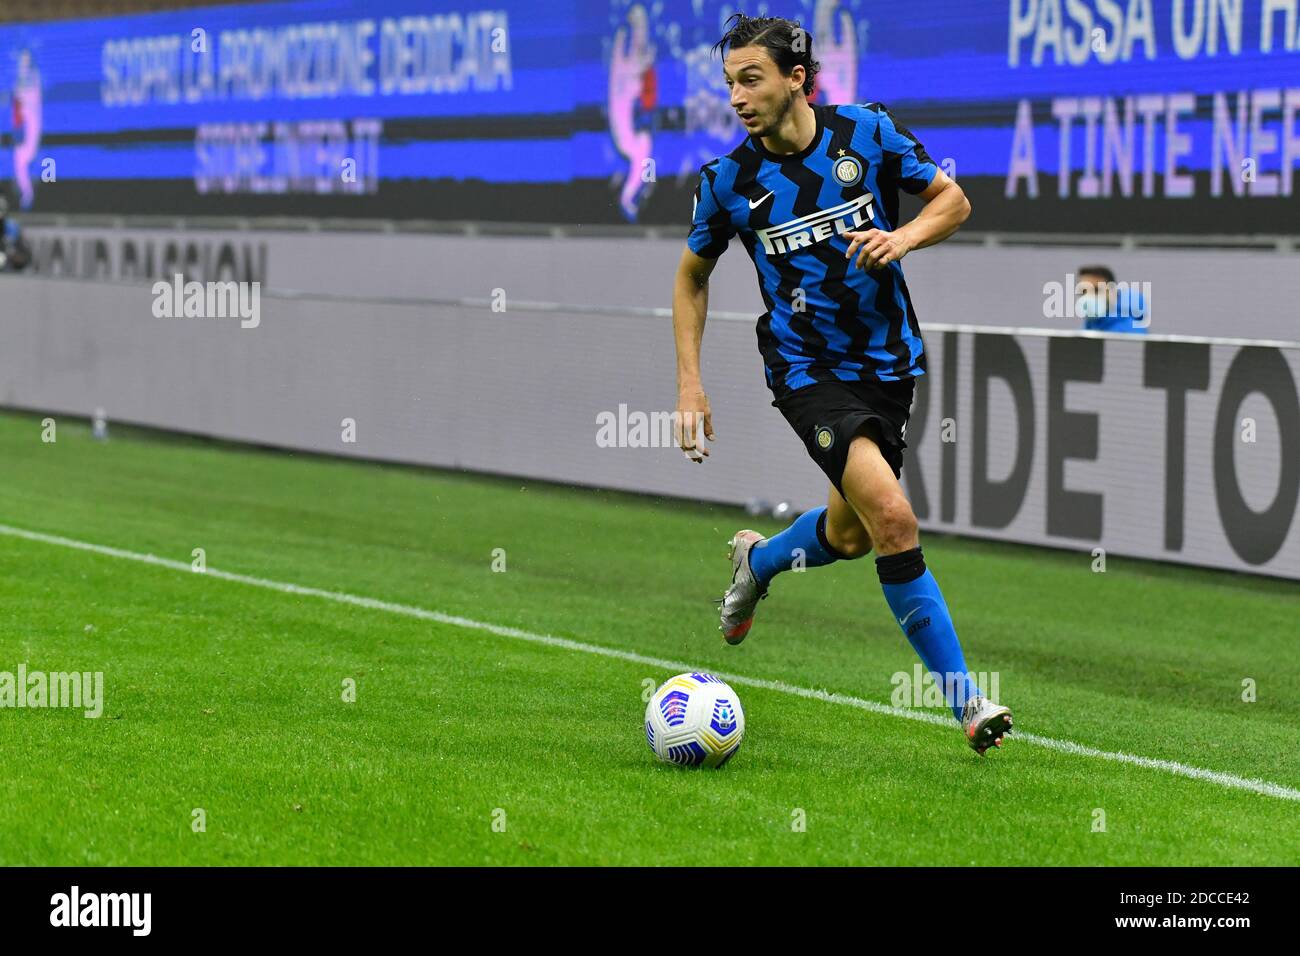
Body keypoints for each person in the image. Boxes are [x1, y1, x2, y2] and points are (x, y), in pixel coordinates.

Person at [670, 13, 1012, 754]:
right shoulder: (728, 182)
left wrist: (903, 236)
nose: (737, 96)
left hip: (889, 367)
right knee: (894, 518)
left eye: (751, 78)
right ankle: (968, 704)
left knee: (853, 536)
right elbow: (692, 277)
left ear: (798, 78)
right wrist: (691, 383)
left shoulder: (868, 132)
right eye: (730, 82)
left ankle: (758, 561)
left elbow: (952, 200)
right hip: (807, 371)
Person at [1076, 265, 1148, 333]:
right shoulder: (1090, 325)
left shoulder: (1131, 332)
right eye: (1083, 291)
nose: (1088, 296)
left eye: (1096, 290)